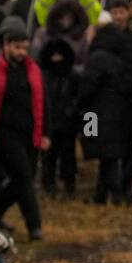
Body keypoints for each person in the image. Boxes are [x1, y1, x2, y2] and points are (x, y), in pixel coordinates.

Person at [0, 17, 48, 241]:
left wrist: (44, 132)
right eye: (17, 47)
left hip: (30, 134)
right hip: (4, 135)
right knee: (24, 177)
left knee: (20, 180)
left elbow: (42, 102)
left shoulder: (33, 71)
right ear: (6, 46)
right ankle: (34, 227)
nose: (22, 52)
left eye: (24, 47)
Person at [77, 26, 132, 205]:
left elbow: (87, 88)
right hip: (115, 115)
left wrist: (79, 106)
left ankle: (116, 195)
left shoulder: (97, 58)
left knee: (103, 154)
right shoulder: (119, 60)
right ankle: (101, 196)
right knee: (108, 156)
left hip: (95, 114)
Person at [38, 37, 80, 198]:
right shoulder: (43, 76)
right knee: (49, 156)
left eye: (59, 56)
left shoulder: (73, 76)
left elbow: (81, 99)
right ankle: (49, 185)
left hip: (67, 123)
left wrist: (74, 113)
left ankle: (69, 184)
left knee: (68, 155)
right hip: (49, 123)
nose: (56, 59)